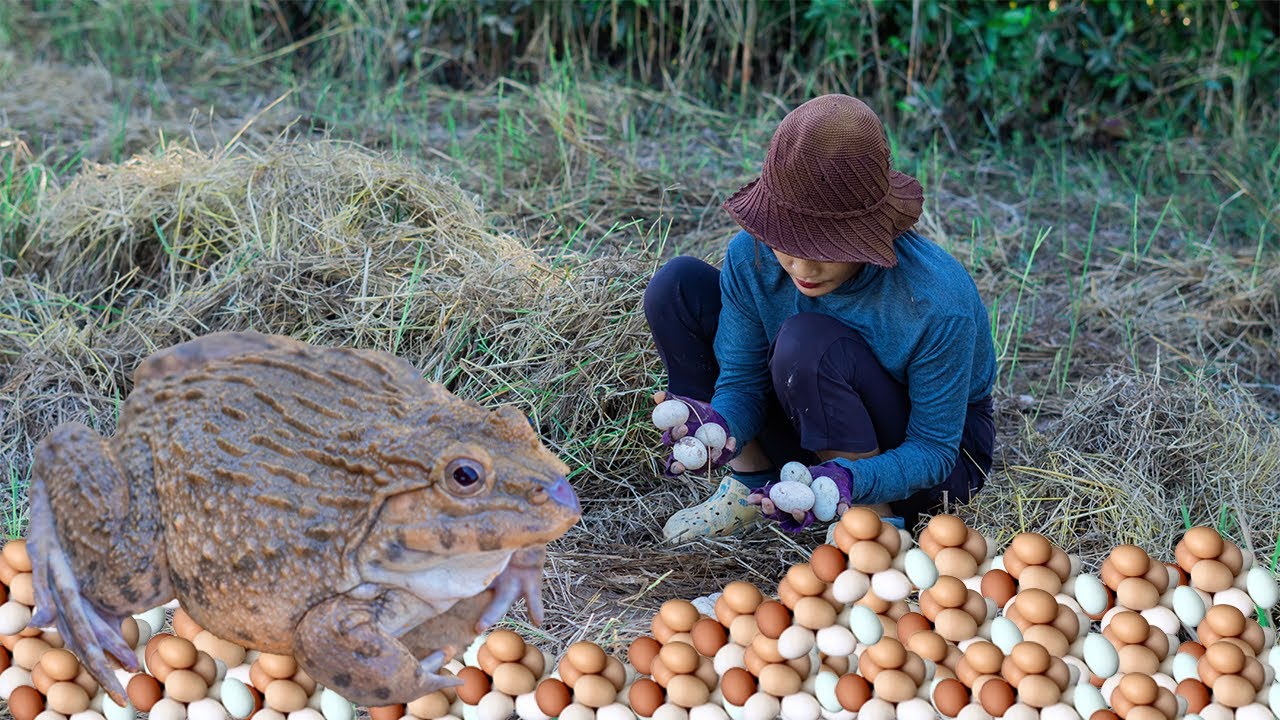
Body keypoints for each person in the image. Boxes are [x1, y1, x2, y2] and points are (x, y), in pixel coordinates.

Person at [643, 94, 996, 541]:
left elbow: (934, 449)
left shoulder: (935, 301)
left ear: (867, 235)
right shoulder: (752, 257)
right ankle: (749, 480)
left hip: (926, 463)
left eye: (826, 249)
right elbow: (742, 381)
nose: (802, 269)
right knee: (678, 287)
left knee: (807, 342)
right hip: (811, 412)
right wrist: (718, 427)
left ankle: (873, 524)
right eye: (786, 241)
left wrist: (849, 481)